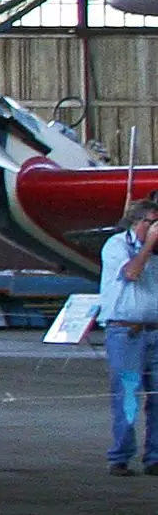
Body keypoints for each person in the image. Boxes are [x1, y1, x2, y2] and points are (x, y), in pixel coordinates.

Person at [101, 199, 158, 474]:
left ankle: (155, 457)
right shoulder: (116, 245)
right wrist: (148, 245)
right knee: (127, 397)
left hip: (155, 331)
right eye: (153, 222)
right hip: (126, 332)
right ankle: (120, 457)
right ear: (138, 222)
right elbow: (132, 273)